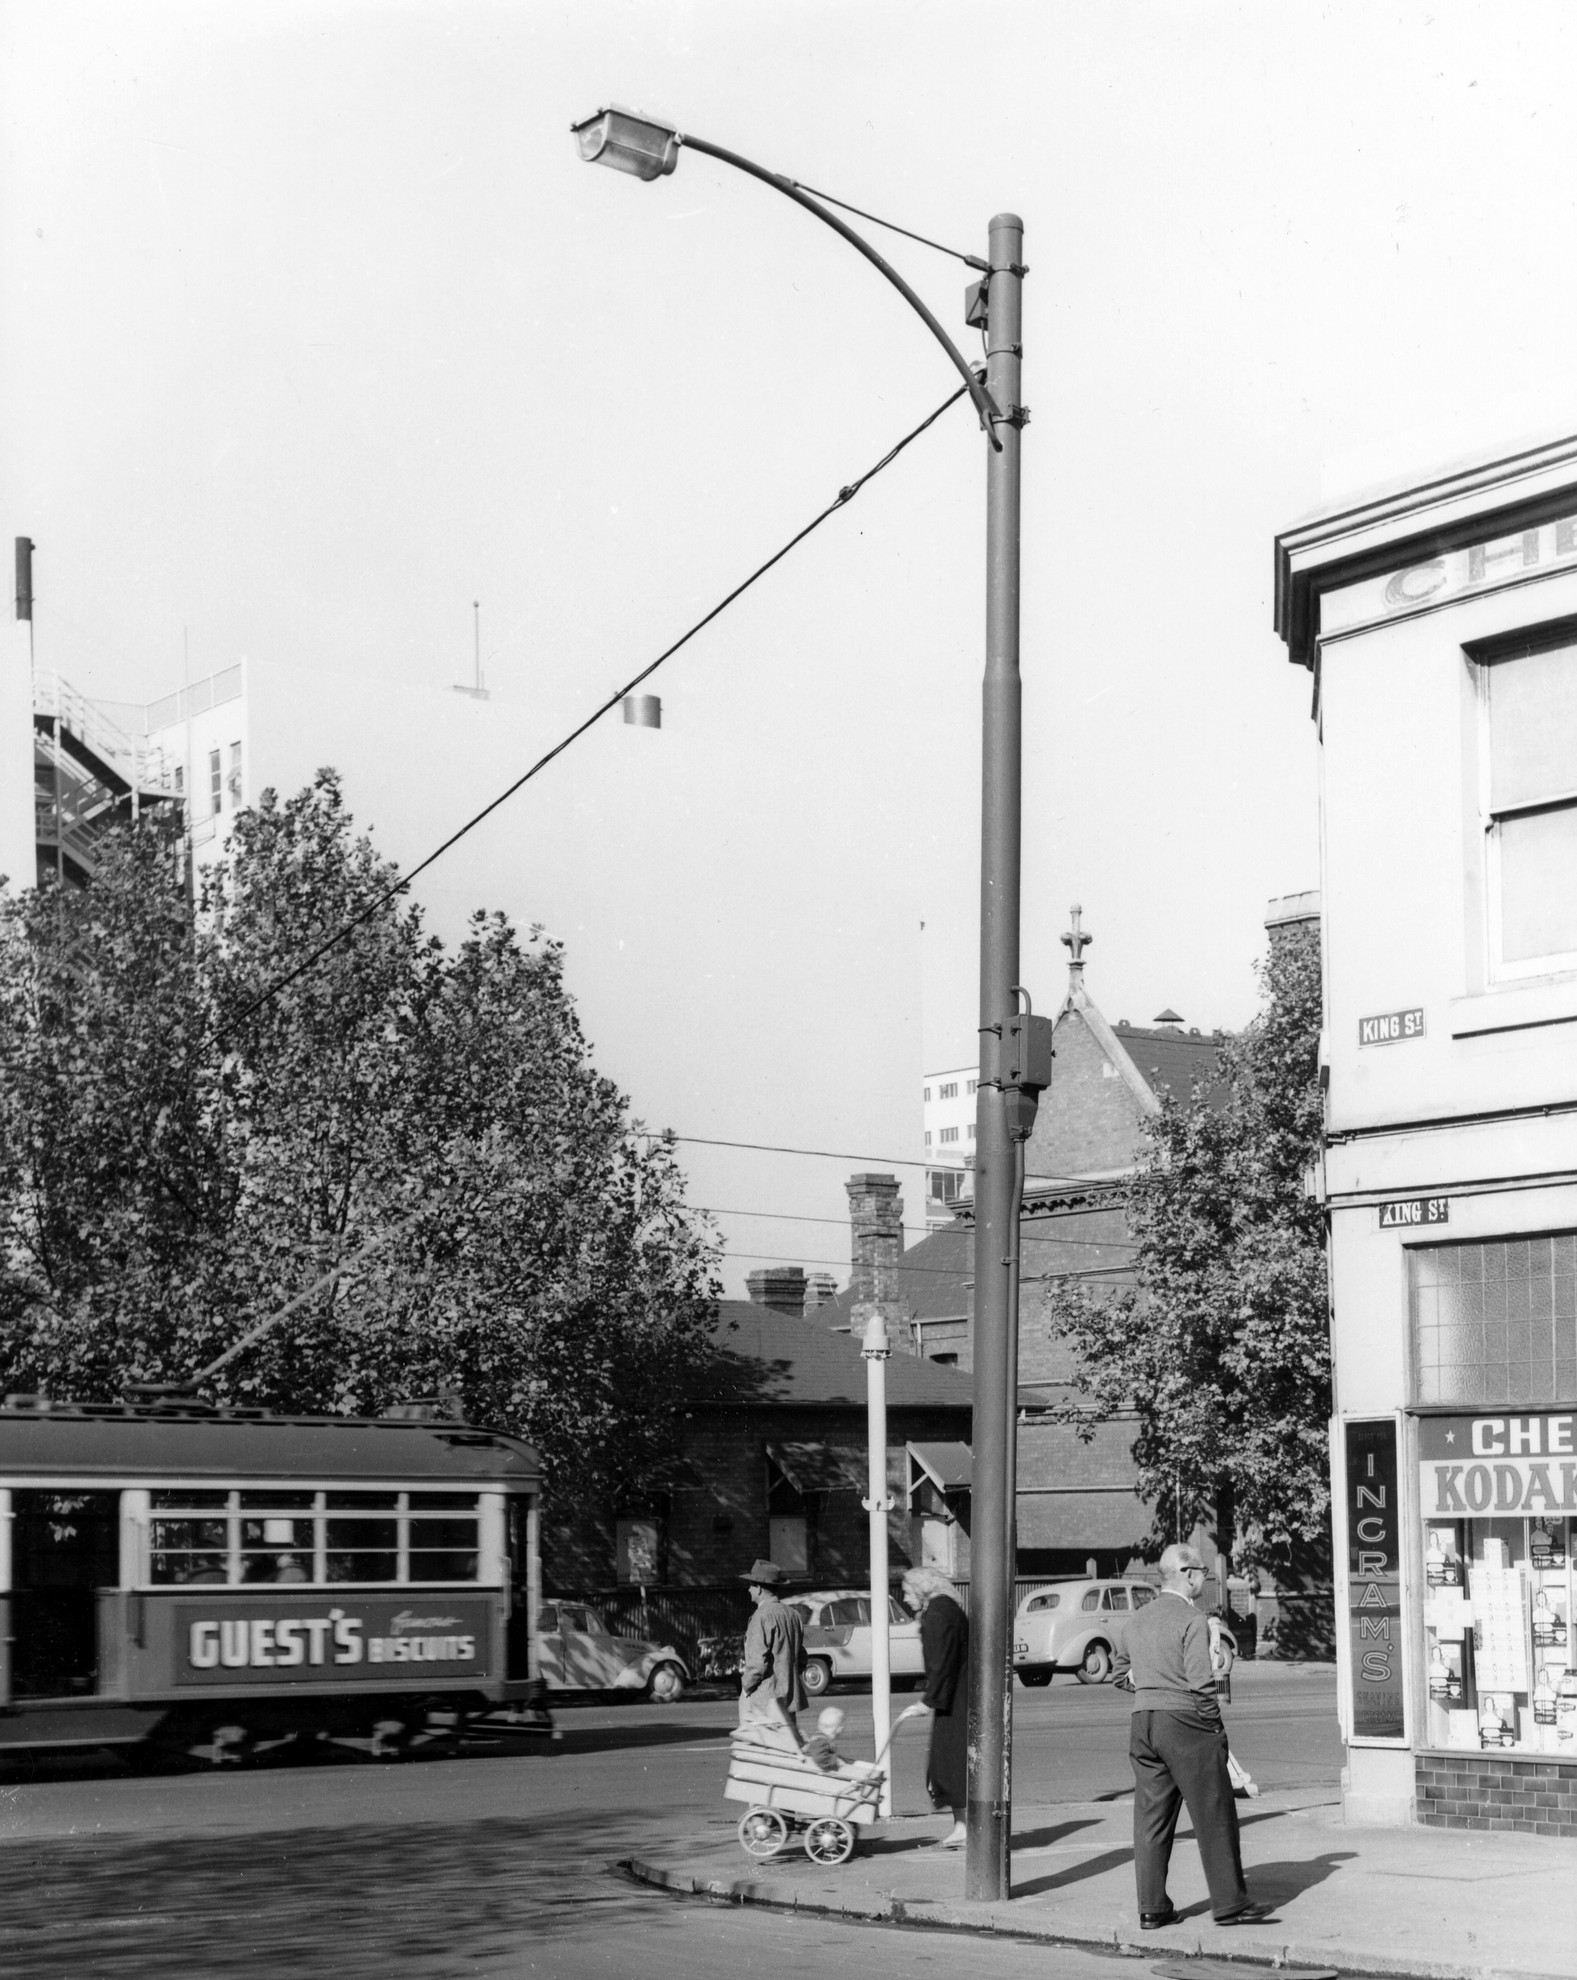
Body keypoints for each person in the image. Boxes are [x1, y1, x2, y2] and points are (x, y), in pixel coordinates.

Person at [1113, 1543, 1273, 1931]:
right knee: (1214, 1811)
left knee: (1151, 1819)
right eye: (1202, 1570)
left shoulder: (1136, 1620)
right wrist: (1216, 1729)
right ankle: (1230, 1904)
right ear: (1186, 1574)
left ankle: (1152, 1908)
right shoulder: (1192, 1619)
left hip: (1143, 1723)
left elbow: (1120, 1673)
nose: (1205, 1577)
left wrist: (1151, 1687)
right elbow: (1202, 1685)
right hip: (1185, 1723)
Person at [901, 1565, 969, 1849]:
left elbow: (941, 1662)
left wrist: (927, 1701)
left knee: (949, 1763)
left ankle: (964, 1828)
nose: (905, 1598)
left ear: (921, 1588)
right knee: (950, 1762)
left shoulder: (939, 1613)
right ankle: (963, 1827)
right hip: (956, 1696)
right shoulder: (945, 1608)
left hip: (954, 1699)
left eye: (906, 1591)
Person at [738, 1558, 807, 1738]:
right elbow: (802, 1658)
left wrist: (745, 1689)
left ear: (759, 1588)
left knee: (764, 1754)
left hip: (765, 1702)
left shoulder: (760, 1617)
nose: (748, 1589)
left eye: (751, 1585)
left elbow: (757, 1666)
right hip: (790, 1699)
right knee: (788, 1752)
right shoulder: (794, 1615)